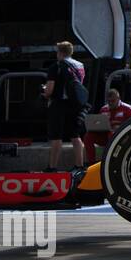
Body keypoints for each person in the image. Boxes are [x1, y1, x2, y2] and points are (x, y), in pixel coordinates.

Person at [43, 41, 87, 171]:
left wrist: (44, 91)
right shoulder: (80, 65)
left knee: (56, 137)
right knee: (75, 136)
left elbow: (49, 90)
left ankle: (52, 167)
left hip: (59, 104)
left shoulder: (56, 66)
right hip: (76, 104)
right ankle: (79, 166)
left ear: (60, 52)